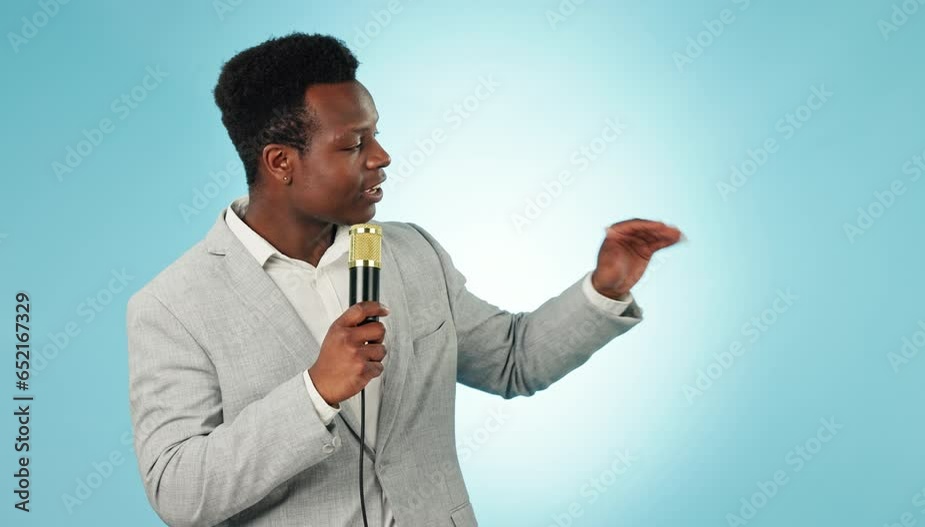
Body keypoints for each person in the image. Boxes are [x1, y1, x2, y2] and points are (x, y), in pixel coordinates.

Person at [126, 32, 683, 527]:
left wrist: (605, 287)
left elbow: (515, 362)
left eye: (375, 136)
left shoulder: (411, 251)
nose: (382, 157)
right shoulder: (173, 306)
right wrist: (314, 392)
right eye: (353, 145)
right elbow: (179, 491)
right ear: (279, 162)